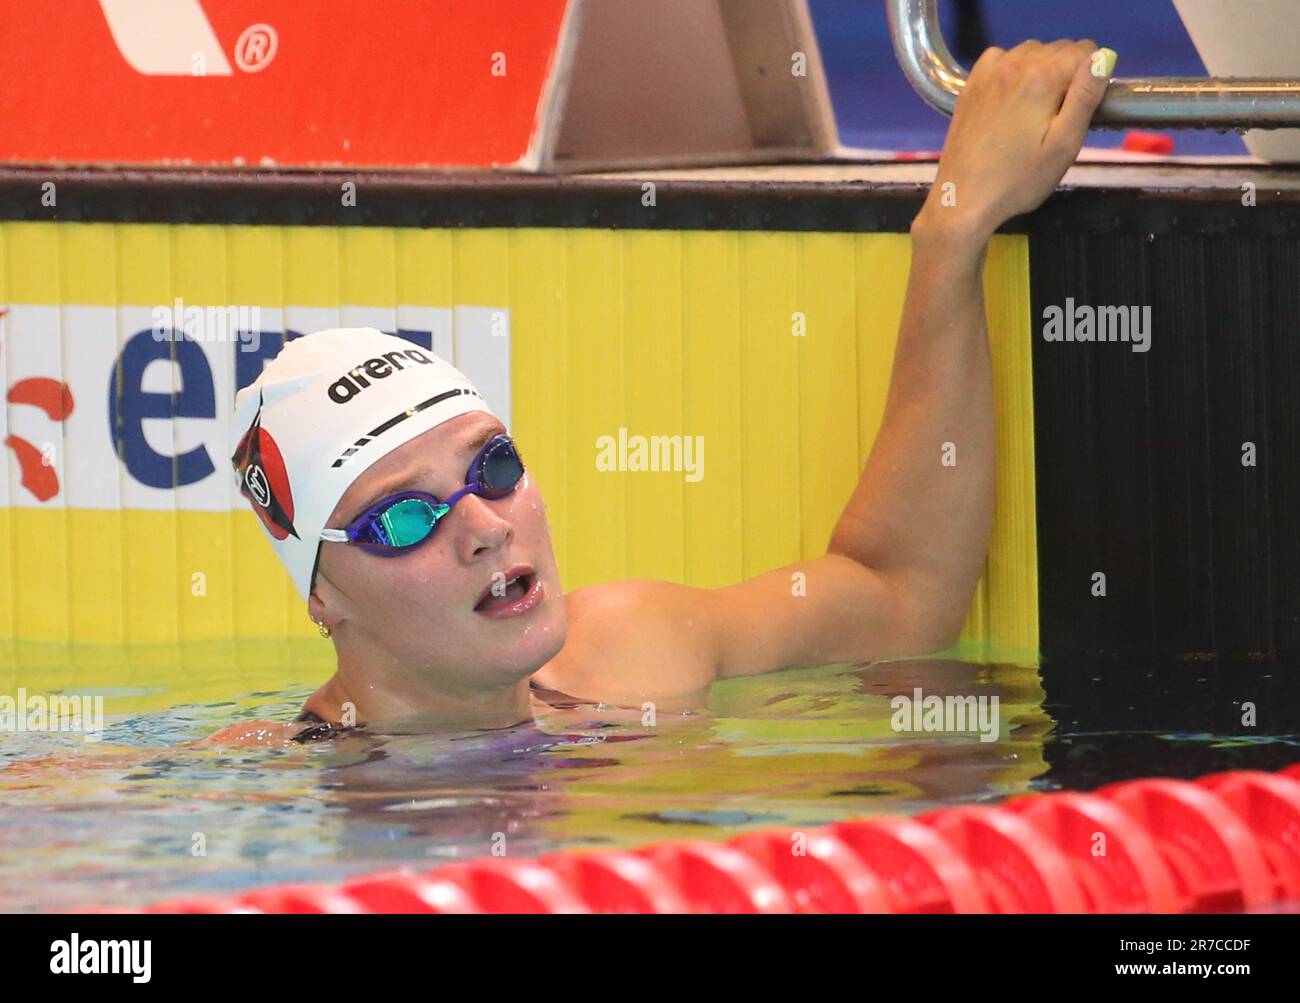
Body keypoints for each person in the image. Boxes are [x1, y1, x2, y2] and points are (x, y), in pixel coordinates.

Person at [208, 40, 1118, 746]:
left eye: (493, 463)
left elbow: (903, 597)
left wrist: (953, 226)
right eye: (403, 517)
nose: (484, 523)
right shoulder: (274, 792)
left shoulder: (638, 650)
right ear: (323, 597)